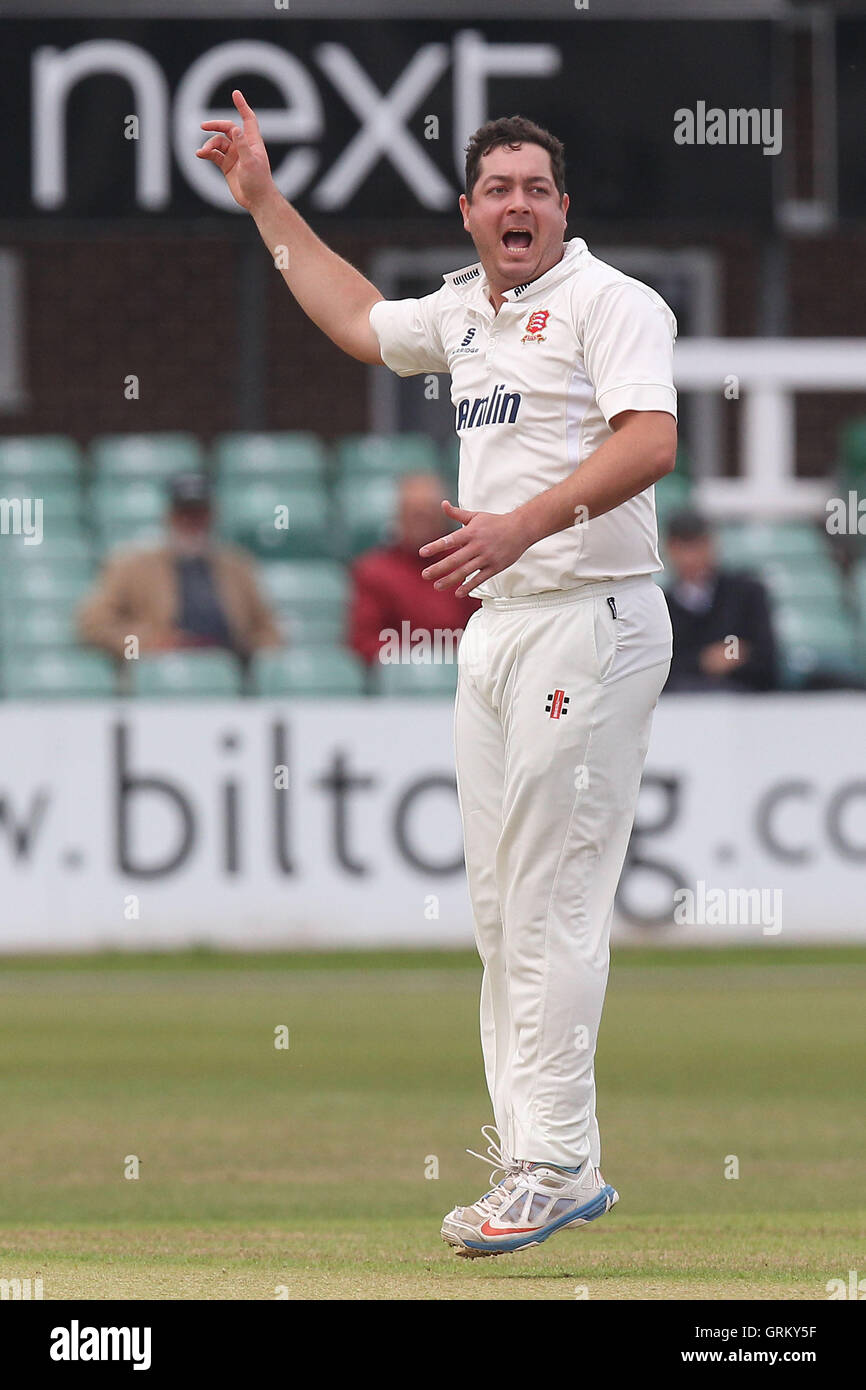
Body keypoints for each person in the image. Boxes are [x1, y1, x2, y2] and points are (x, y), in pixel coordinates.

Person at [197, 95, 677, 1258]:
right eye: (496, 189)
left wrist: (523, 524)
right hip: (502, 623)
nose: (516, 204)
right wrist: (264, 199)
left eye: (535, 188)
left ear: (563, 209)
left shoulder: (612, 302)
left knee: (552, 895)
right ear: (468, 213)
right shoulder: (465, 312)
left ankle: (555, 1161)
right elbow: (359, 320)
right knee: (499, 903)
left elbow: (649, 439)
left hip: (590, 613)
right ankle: (535, 1157)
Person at [78, 472, 281, 662]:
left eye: (199, 514)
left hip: (229, 673)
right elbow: (93, 625)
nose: (192, 522)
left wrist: (246, 648)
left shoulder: (238, 567)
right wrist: (148, 643)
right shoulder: (131, 566)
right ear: (169, 516)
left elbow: (270, 632)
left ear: (212, 516)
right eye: (184, 514)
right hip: (160, 672)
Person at [347, 471, 480, 670]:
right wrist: (416, 659)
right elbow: (364, 641)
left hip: (463, 673)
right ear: (399, 516)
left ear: (443, 517)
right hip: (398, 684)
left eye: (428, 514)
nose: (421, 523)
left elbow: (484, 630)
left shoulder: (467, 564)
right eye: (414, 514)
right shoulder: (373, 570)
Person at [663, 509, 778, 692]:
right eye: (683, 546)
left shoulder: (746, 593)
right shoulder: (661, 606)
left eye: (698, 544)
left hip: (745, 702)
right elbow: (660, 672)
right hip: (683, 707)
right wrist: (704, 661)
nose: (691, 556)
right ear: (669, 549)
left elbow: (768, 661)